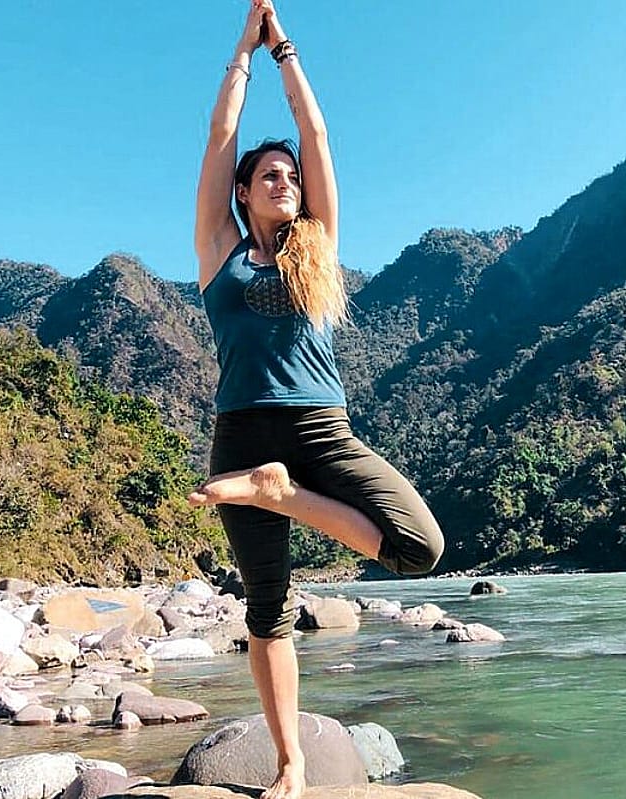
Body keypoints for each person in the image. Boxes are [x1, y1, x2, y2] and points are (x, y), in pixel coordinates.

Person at [189, 2, 444, 796]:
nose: (287, 181)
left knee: (418, 546)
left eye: (292, 176)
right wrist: (242, 47)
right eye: (271, 175)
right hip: (241, 432)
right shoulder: (220, 252)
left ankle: (285, 495)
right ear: (242, 192)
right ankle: (292, 763)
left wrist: (285, 50)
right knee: (267, 610)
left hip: (318, 434)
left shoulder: (318, 247)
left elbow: (318, 134)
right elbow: (219, 137)